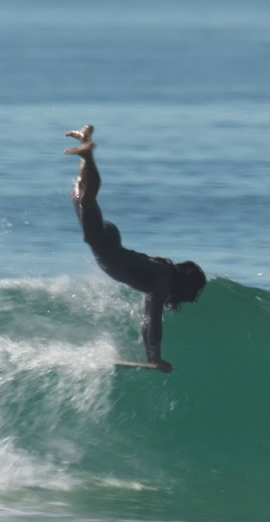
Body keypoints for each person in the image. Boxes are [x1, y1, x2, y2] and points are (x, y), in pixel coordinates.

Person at [65, 125, 206, 372]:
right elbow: (153, 320)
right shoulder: (163, 279)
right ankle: (88, 153)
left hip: (110, 243)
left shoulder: (161, 276)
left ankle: (85, 140)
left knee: (79, 194)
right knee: (87, 200)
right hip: (106, 247)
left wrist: (152, 355)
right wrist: (155, 357)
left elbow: (147, 317)